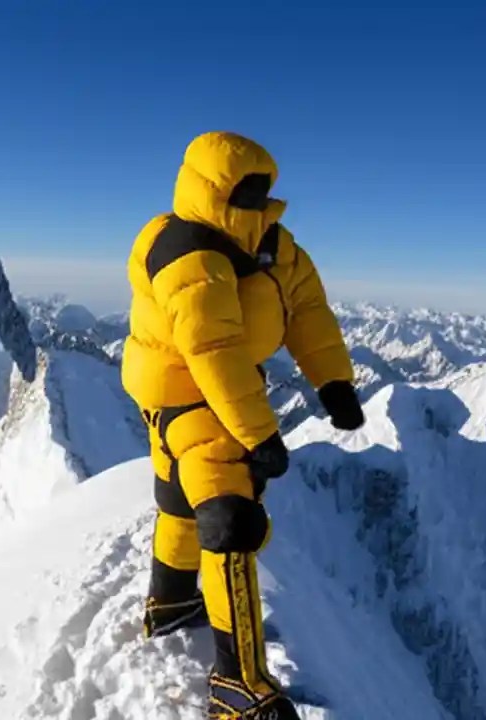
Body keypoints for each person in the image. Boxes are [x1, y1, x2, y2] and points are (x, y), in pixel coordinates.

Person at [121, 131, 365, 719]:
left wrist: (334, 382)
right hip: (187, 390)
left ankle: (171, 603)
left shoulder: (268, 242)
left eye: (263, 191)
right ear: (216, 191)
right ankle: (238, 683)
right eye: (247, 192)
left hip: (212, 387)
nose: (260, 202)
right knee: (228, 515)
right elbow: (214, 350)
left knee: (180, 499)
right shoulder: (186, 253)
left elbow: (306, 308)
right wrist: (258, 434)